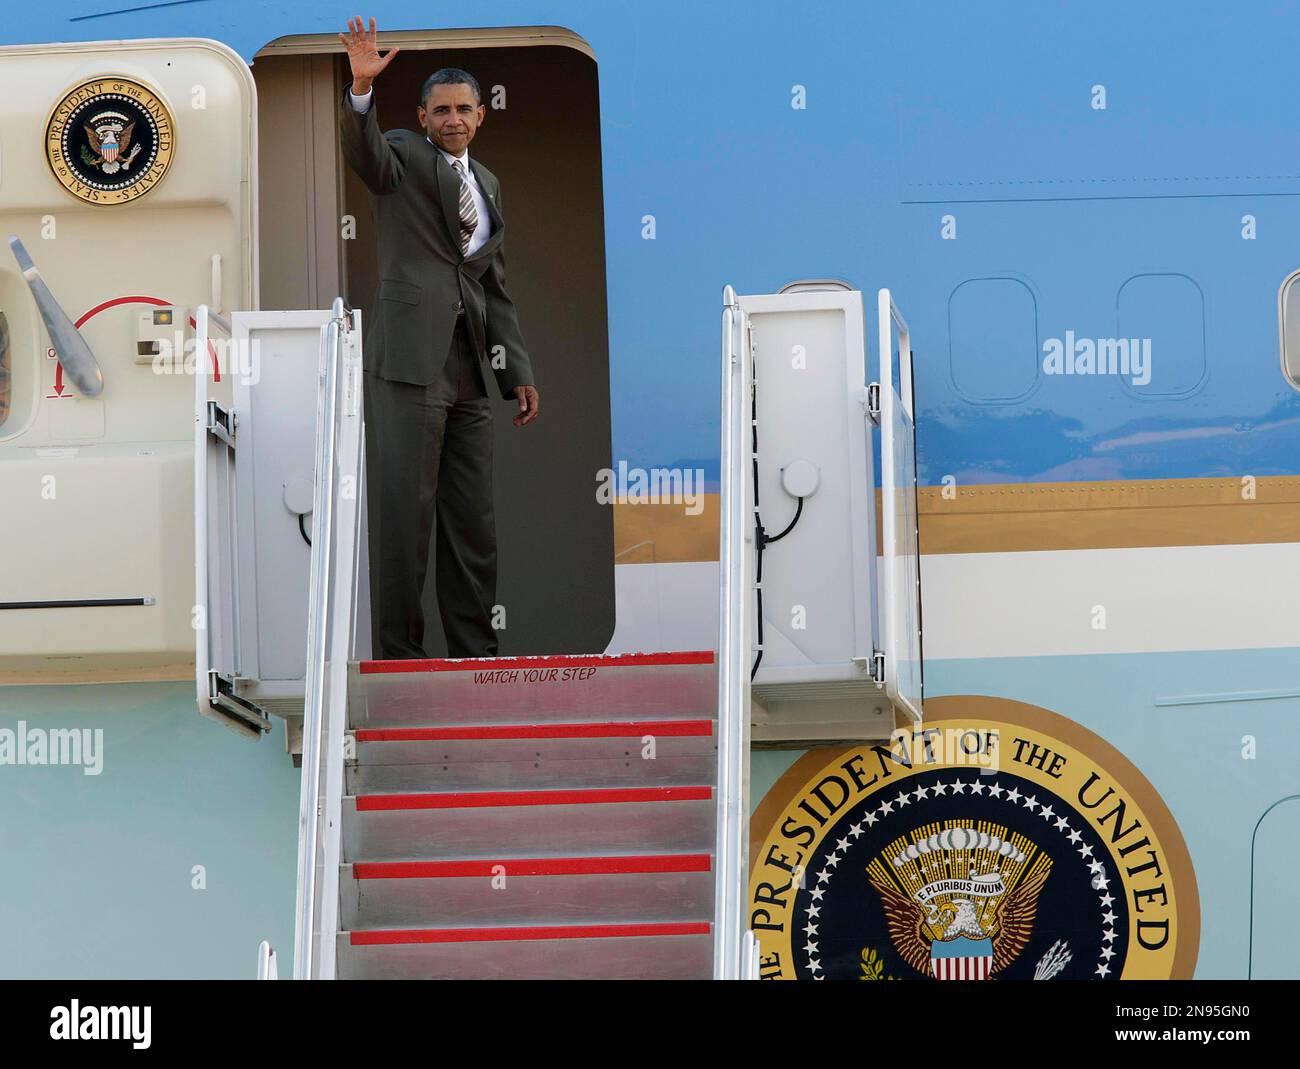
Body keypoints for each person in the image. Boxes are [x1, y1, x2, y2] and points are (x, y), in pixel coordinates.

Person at [338, 16, 539, 659]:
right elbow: (366, 155)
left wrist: (519, 371)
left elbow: (493, 286)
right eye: (440, 109)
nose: (452, 119)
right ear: (422, 116)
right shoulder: (401, 153)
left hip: (472, 368)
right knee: (404, 518)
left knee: (471, 525)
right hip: (407, 363)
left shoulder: (490, 185)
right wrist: (361, 93)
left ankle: (477, 658)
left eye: (463, 109)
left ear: (482, 116)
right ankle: (400, 659)